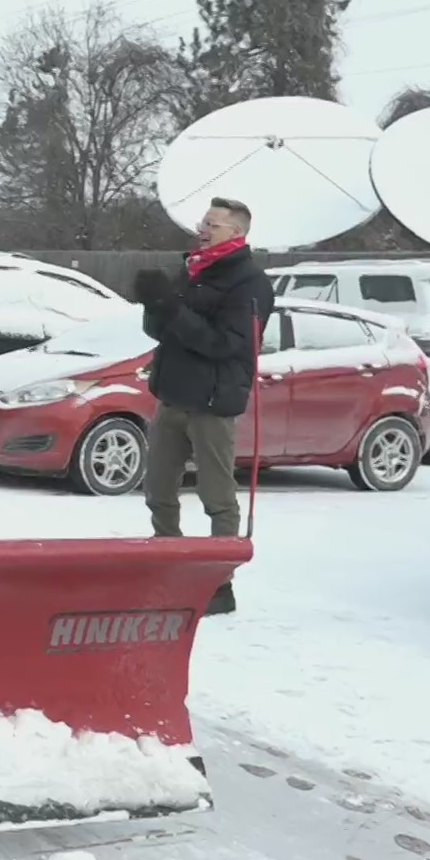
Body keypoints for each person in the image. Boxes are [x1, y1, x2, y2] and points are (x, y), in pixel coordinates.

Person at [132, 196, 273, 616]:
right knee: (158, 487)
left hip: (212, 400)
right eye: (204, 222)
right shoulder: (194, 268)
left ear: (237, 232)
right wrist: (154, 305)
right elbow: (164, 332)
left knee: (216, 495)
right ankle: (167, 564)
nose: (203, 229)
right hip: (173, 393)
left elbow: (227, 344)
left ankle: (217, 583)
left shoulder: (249, 283)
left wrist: (174, 309)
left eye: (213, 224)